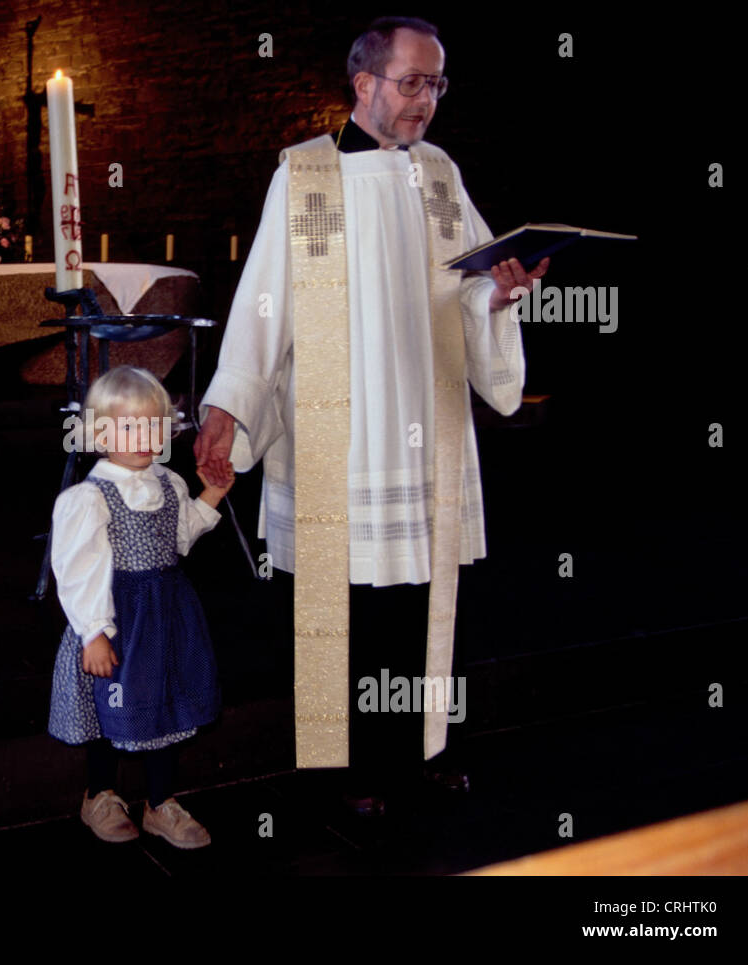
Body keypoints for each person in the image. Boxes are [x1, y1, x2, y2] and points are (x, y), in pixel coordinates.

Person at [195, 16, 549, 814]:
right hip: (342, 434)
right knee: (346, 603)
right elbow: (265, 301)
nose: (428, 99)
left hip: (427, 419)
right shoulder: (306, 176)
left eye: (438, 83)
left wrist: (498, 294)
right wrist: (228, 405)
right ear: (365, 85)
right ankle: (342, 771)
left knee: (425, 597)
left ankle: (420, 751)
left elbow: (471, 280)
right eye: (413, 81)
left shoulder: (439, 174)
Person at [48, 366, 234, 848]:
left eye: (154, 426)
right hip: (118, 620)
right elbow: (77, 567)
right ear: (99, 432)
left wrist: (211, 495)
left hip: (167, 617)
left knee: (163, 709)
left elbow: (180, 537)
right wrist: (93, 630)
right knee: (109, 710)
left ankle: (160, 802)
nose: (144, 438)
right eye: (130, 426)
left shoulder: (168, 483)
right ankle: (100, 794)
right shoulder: (89, 497)